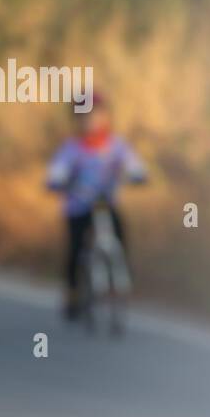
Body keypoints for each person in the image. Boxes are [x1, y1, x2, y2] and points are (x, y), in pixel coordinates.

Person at [45, 91, 147, 320]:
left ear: (105, 117)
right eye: (84, 117)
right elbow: (58, 171)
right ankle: (72, 292)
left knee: (120, 233)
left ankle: (117, 282)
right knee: (75, 248)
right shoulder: (72, 148)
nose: (90, 121)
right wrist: (58, 180)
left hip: (105, 204)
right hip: (79, 206)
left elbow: (133, 165)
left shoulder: (116, 146)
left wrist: (137, 174)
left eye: (94, 115)